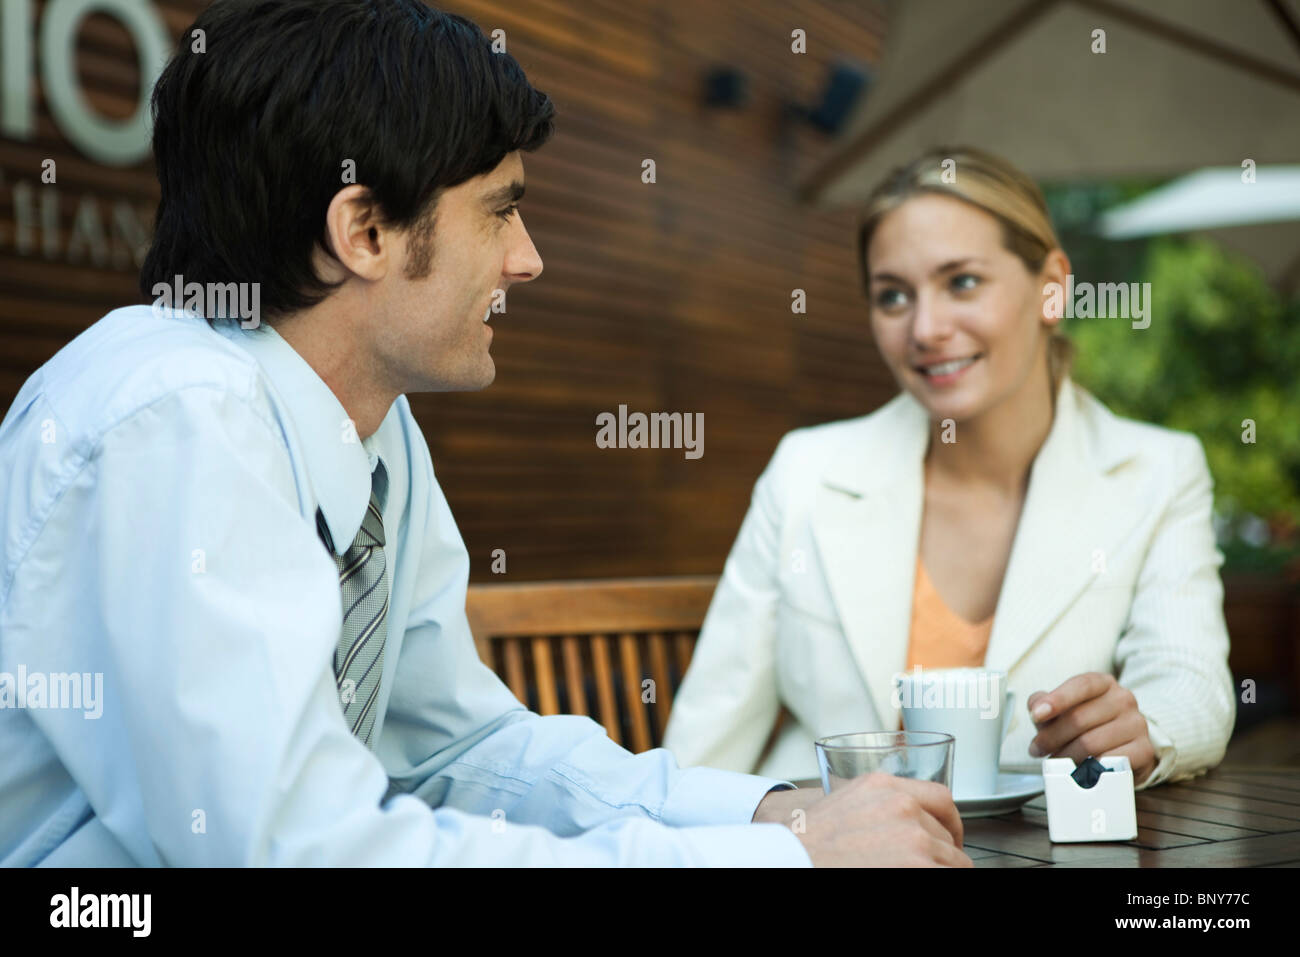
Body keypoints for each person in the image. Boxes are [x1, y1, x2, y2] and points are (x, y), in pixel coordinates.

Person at [0, 0, 970, 867]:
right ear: (364, 230)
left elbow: (456, 752)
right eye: (501, 210)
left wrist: (775, 817)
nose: (529, 259)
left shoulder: (370, 427)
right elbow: (301, 851)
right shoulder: (176, 420)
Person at [664, 146, 1235, 791]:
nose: (926, 328)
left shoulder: (1157, 471)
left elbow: (1191, 685)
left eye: (961, 281)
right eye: (893, 297)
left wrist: (1144, 730)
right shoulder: (807, 471)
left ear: (1053, 287)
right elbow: (705, 741)